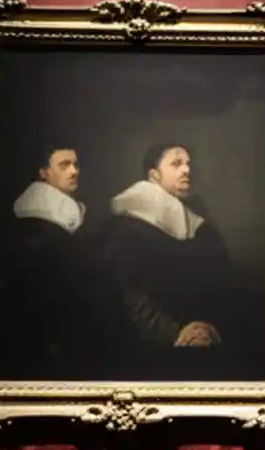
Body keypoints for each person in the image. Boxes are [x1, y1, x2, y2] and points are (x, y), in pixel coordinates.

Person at [95, 143, 252, 378]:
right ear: (153, 175)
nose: (186, 170)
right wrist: (173, 334)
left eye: (188, 163)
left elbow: (219, 282)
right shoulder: (125, 227)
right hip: (153, 349)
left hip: (205, 341)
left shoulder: (200, 227)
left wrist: (207, 327)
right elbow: (127, 293)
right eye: (176, 164)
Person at [0, 141, 99, 380]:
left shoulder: (68, 211)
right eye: (64, 165)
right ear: (44, 173)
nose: (74, 171)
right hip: (43, 329)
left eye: (75, 164)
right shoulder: (35, 218)